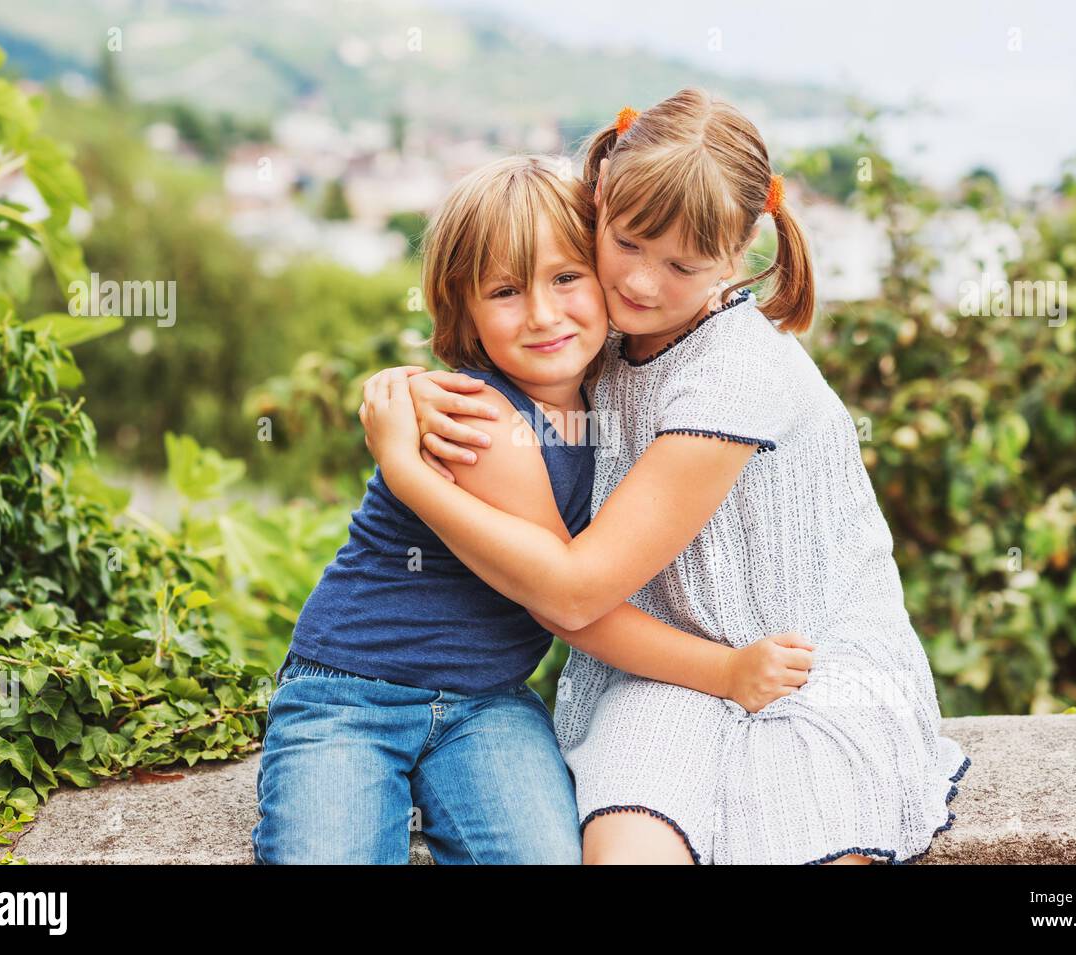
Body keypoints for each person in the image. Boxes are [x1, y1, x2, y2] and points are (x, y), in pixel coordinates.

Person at [359, 90, 971, 865]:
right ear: (602, 195)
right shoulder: (601, 320)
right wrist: (412, 388)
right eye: (628, 243)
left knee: (814, 830)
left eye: (683, 264)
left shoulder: (735, 372)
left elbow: (575, 592)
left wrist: (409, 471)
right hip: (660, 665)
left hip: (808, 665)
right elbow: (512, 356)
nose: (642, 284)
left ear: (743, 248)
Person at [252, 153, 812, 865]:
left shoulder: (605, 382)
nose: (545, 314)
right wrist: (726, 671)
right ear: (464, 311)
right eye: (507, 291)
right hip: (350, 696)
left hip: (488, 702)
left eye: (567, 278)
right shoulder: (477, 419)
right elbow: (565, 596)